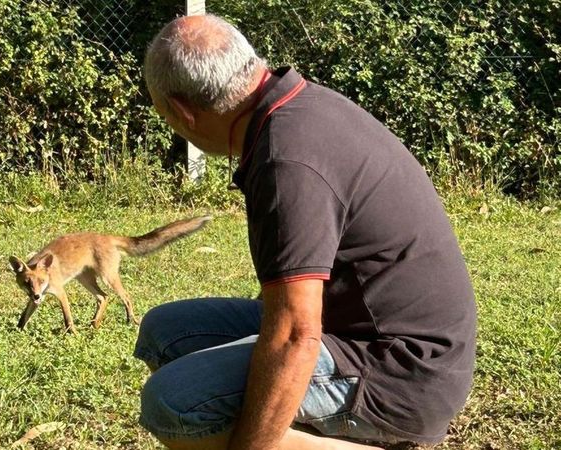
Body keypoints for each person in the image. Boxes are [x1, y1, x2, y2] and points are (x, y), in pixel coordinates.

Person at [133, 14, 477, 450]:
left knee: (175, 404)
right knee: (169, 332)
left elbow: (296, 334)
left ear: (183, 112)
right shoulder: (292, 107)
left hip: (403, 371)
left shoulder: (286, 159)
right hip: (367, 335)